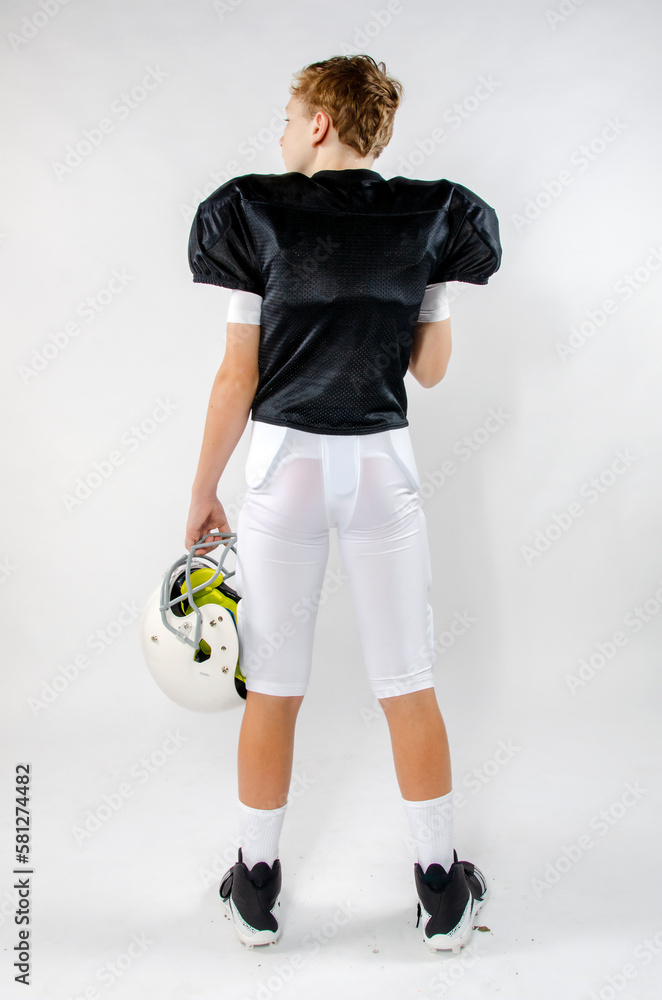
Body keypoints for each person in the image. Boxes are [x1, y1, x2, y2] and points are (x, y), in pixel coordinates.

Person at [184, 54, 502, 952]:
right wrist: (427, 288)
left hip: (282, 468)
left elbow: (235, 379)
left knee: (273, 690)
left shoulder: (253, 208)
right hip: (381, 469)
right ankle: (441, 893)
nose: (281, 133)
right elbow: (430, 371)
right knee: (407, 682)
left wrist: (202, 490)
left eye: (289, 115)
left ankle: (254, 885)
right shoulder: (433, 215)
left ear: (320, 122)